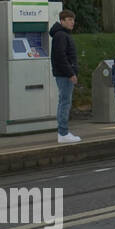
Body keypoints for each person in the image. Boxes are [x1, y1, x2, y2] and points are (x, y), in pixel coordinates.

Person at [49, 9, 81, 143]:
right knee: (64, 102)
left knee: (64, 101)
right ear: (62, 21)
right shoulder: (61, 35)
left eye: (73, 20)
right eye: (69, 20)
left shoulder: (62, 34)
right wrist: (70, 73)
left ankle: (63, 132)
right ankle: (63, 133)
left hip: (64, 74)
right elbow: (61, 57)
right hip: (64, 75)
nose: (72, 22)